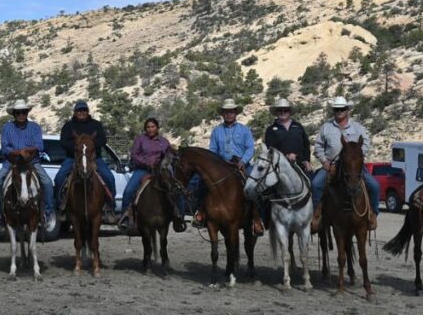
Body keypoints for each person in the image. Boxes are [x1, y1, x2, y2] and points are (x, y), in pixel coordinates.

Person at [190, 99, 263, 235]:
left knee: (254, 185)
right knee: (202, 183)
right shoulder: (216, 131)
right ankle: (200, 212)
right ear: (222, 114)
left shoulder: (245, 130)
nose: (229, 114)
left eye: (231, 111)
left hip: (241, 164)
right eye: (226, 112)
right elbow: (213, 150)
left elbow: (250, 148)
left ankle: (256, 218)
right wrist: (216, 165)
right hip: (222, 166)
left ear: (236, 113)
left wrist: (243, 161)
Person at [310, 96, 380, 233]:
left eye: (342, 109)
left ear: (347, 110)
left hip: (353, 166)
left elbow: (366, 143)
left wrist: (357, 157)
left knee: (374, 186)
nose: (339, 111)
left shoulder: (357, 127)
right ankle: (316, 213)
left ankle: (373, 214)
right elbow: (318, 146)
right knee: (316, 184)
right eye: (337, 109)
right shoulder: (326, 127)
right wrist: (324, 161)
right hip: (331, 164)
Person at [0, 99, 56, 232]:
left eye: (23, 112)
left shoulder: (35, 127)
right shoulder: (7, 128)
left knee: (47, 182)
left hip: (32, 162)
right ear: (14, 114)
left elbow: (39, 146)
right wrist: (20, 152)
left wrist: (27, 152)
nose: (21, 115)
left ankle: (47, 214)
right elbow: (5, 147)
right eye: (18, 112)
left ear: (27, 113)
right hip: (11, 162)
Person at [118, 118, 185, 232]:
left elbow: (169, 154)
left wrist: (172, 155)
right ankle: (126, 217)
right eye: (148, 127)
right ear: (145, 129)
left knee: (177, 188)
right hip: (143, 169)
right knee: (129, 190)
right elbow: (135, 154)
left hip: (161, 170)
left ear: (157, 128)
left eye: (153, 127)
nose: (150, 129)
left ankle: (179, 217)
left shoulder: (163, 141)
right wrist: (146, 163)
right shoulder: (140, 140)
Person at [54, 100, 116, 223]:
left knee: (109, 177)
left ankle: (110, 206)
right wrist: (78, 147)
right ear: (75, 112)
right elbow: (63, 141)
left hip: (94, 158)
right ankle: (61, 206)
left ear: (88, 111)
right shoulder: (68, 126)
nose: (82, 112)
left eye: (84, 110)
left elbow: (103, 140)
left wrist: (90, 146)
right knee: (59, 178)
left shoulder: (96, 125)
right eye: (79, 110)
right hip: (73, 158)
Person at [263, 98, 312, 175]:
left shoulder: (298, 126)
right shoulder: (270, 130)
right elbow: (270, 148)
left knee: (313, 184)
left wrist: (306, 160)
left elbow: (306, 145)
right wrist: (286, 155)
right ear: (276, 112)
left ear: (289, 112)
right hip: (280, 166)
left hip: (301, 164)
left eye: (285, 110)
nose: (283, 112)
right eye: (280, 110)